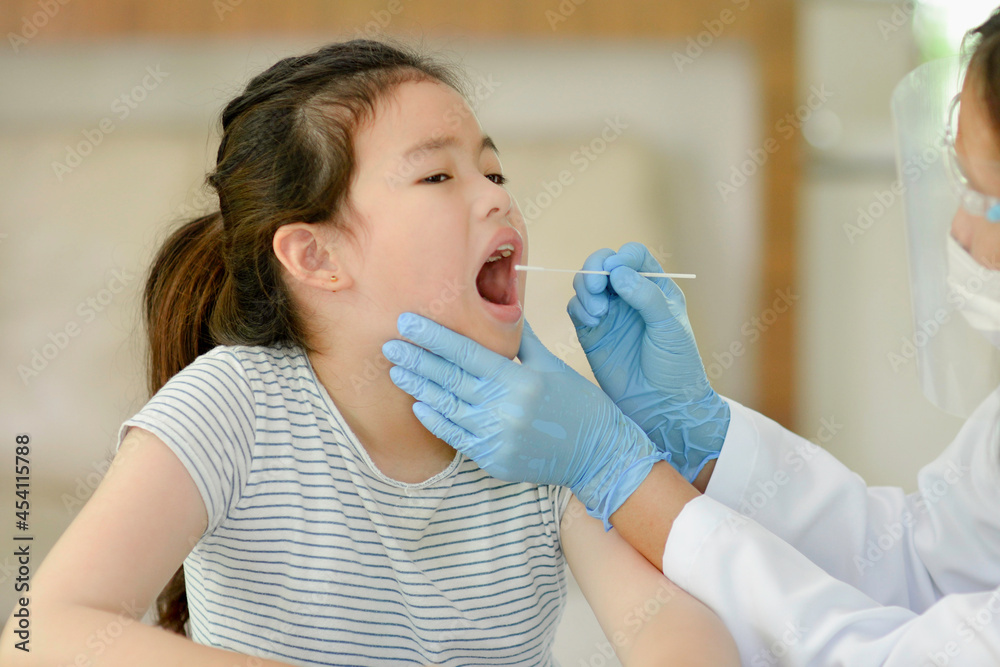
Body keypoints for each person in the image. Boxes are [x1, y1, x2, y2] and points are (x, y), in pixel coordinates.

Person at [0, 40, 740, 666]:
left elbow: (680, 632)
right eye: (439, 175)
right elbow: (42, 635)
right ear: (315, 255)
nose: (495, 199)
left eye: (494, 171)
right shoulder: (232, 407)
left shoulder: (543, 431)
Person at [380, 11, 1000, 666]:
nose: (959, 230)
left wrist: (619, 472)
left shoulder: (547, 492)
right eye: (437, 177)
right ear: (312, 254)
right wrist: (698, 438)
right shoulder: (258, 413)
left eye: (986, 197)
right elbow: (919, 563)